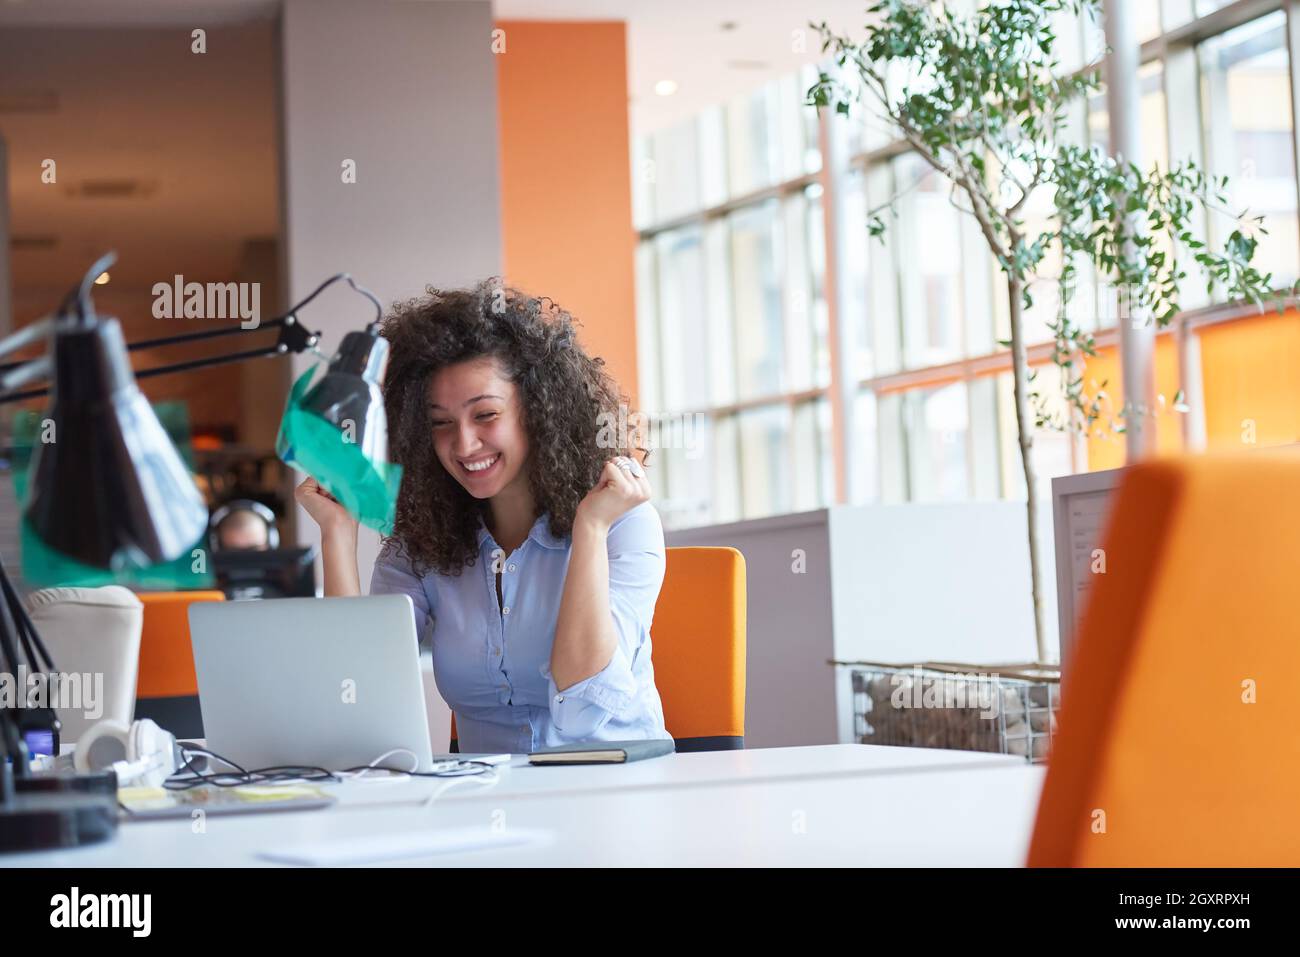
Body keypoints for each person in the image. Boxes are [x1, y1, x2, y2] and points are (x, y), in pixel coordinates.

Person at [295, 281, 672, 753]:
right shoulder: (422, 543)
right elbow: (356, 695)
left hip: (612, 789)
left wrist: (590, 530)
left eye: (486, 415)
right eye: (440, 423)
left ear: (537, 411)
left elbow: (582, 705)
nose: (464, 444)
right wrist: (336, 534)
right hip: (482, 803)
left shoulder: (621, 521)